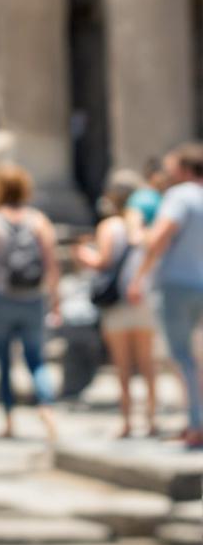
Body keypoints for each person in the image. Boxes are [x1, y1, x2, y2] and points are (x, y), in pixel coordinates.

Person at [0, 160, 60, 443]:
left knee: (4, 362)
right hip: (32, 298)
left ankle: (8, 420)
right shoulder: (39, 220)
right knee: (37, 360)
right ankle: (46, 406)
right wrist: (55, 300)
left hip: (1, 298)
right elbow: (51, 263)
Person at [128, 142, 203, 448]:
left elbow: (156, 240)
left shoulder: (180, 196)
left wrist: (137, 236)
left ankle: (196, 425)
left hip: (175, 286)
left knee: (181, 357)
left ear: (184, 169)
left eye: (171, 168)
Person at [78, 172, 158, 440]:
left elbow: (103, 261)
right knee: (147, 363)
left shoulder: (110, 226)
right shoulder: (147, 225)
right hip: (142, 298)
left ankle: (126, 421)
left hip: (117, 303)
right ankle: (152, 419)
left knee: (123, 365)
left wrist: (84, 255)